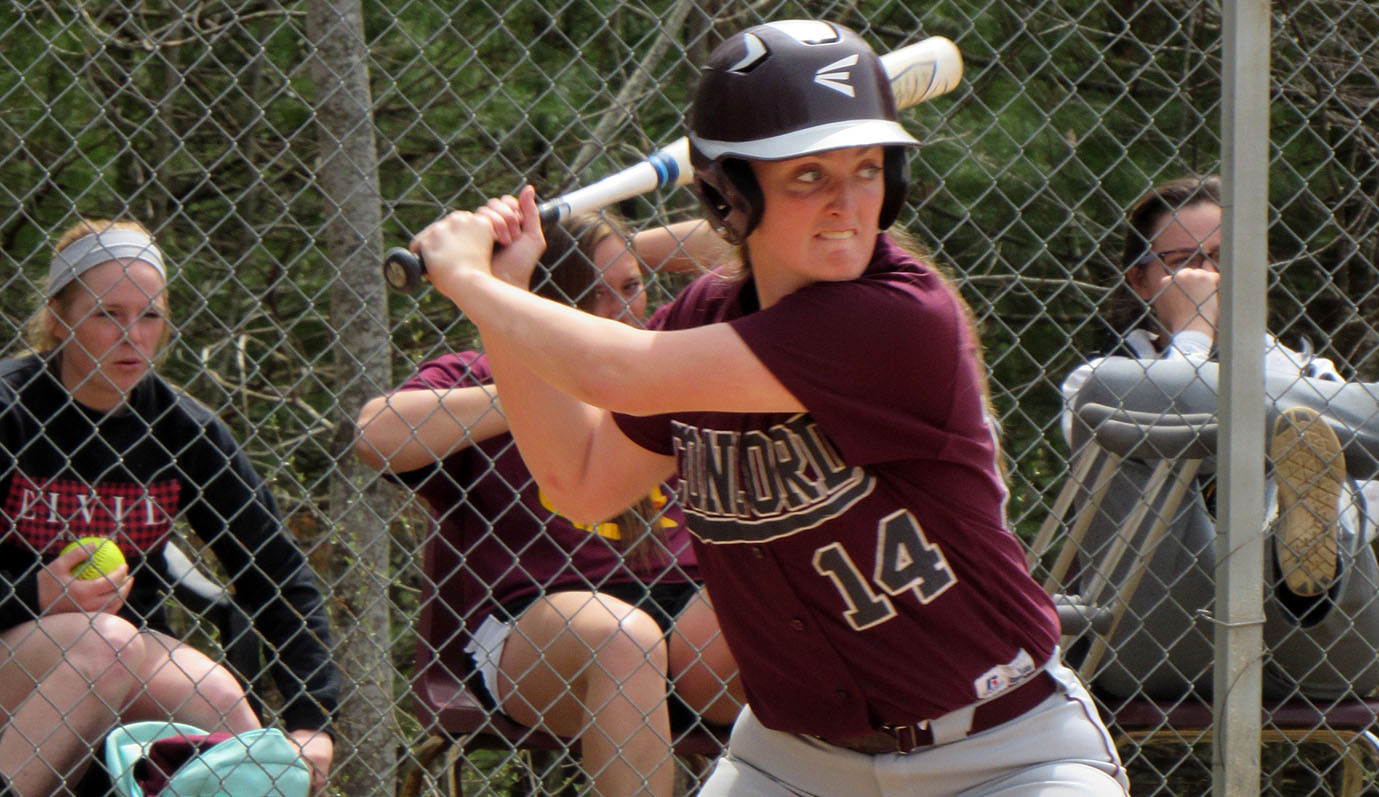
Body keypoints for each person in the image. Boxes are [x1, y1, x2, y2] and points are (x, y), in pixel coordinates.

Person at [404, 19, 1129, 795]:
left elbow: (621, 373)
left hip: (1003, 751)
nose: (846, 203)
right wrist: (504, 294)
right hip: (793, 760)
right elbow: (580, 479)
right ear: (730, 194)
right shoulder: (705, 312)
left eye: (867, 169)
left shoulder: (899, 315)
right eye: (808, 175)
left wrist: (468, 282)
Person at [355, 209, 742, 797]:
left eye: (631, 286)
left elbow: (754, 246)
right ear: (541, 297)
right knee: (623, 638)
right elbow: (376, 435)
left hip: (689, 617)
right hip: (545, 630)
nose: (620, 310)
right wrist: (543, 383)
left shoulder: (658, 351)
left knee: (781, 603)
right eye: (593, 292)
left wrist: (613, 240)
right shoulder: (480, 372)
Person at [0, 218, 340, 796]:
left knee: (224, 703)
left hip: (119, 654)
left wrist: (312, 721)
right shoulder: (9, 409)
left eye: (150, 315)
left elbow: (277, 572)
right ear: (58, 318)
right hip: (18, 642)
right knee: (106, 642)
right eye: (108, 313)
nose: (133, 335)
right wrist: (35, 594)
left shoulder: (183, 431)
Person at [1060, 175, 1379, 702]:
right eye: (1184, 260)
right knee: (1121, 392)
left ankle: (1293, 557)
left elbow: (1360, 524)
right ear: (1140, 280)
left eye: (1225, 258)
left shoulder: (1314, 375)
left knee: (1313, 450)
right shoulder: (1091, 384)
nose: (1208, 276)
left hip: (1314, 642)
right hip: (1156, 637)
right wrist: (1192, 336)